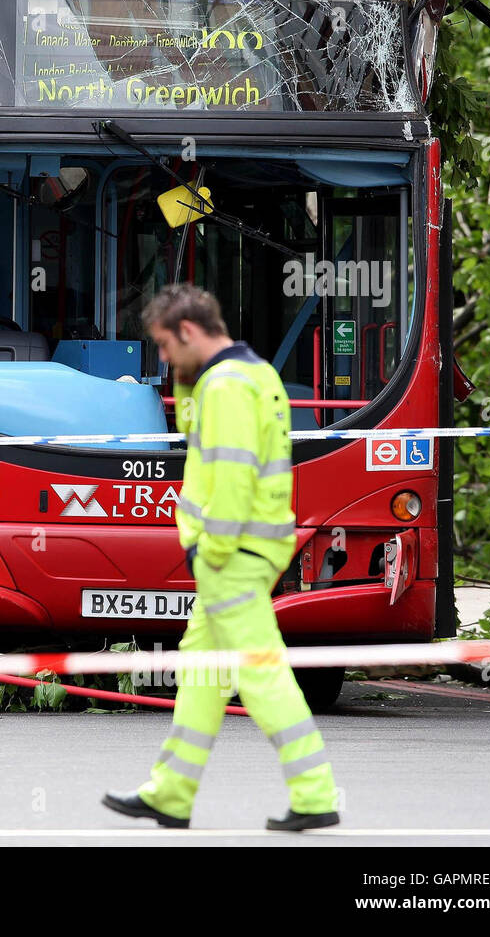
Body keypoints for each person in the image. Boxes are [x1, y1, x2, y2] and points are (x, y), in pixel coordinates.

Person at [102, 283, 340, 832]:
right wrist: (188, 381)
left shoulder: (227, 386)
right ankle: (172, 791)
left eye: (165, 345)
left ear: (188, 331)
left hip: (230, 552)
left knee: (261, 672)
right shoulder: (253, 373)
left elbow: (230, 478)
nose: (162, 359)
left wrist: (208, 549)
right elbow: (204, 440)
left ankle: (314, 793)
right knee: (202, 672)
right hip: (251, 545)